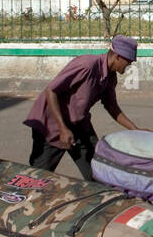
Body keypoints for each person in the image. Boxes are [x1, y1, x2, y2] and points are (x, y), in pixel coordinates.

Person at [23, 36, 142, 180]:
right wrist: (62, 128)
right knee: (37, 177)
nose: (128, 67)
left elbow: (111, 106)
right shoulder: (86, 65)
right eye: (127, 63)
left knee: (98, 171)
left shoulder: (110, 77)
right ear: (117, 57)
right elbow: (51, 91)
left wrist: (135, 130)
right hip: (52, 126)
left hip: (80, 125)